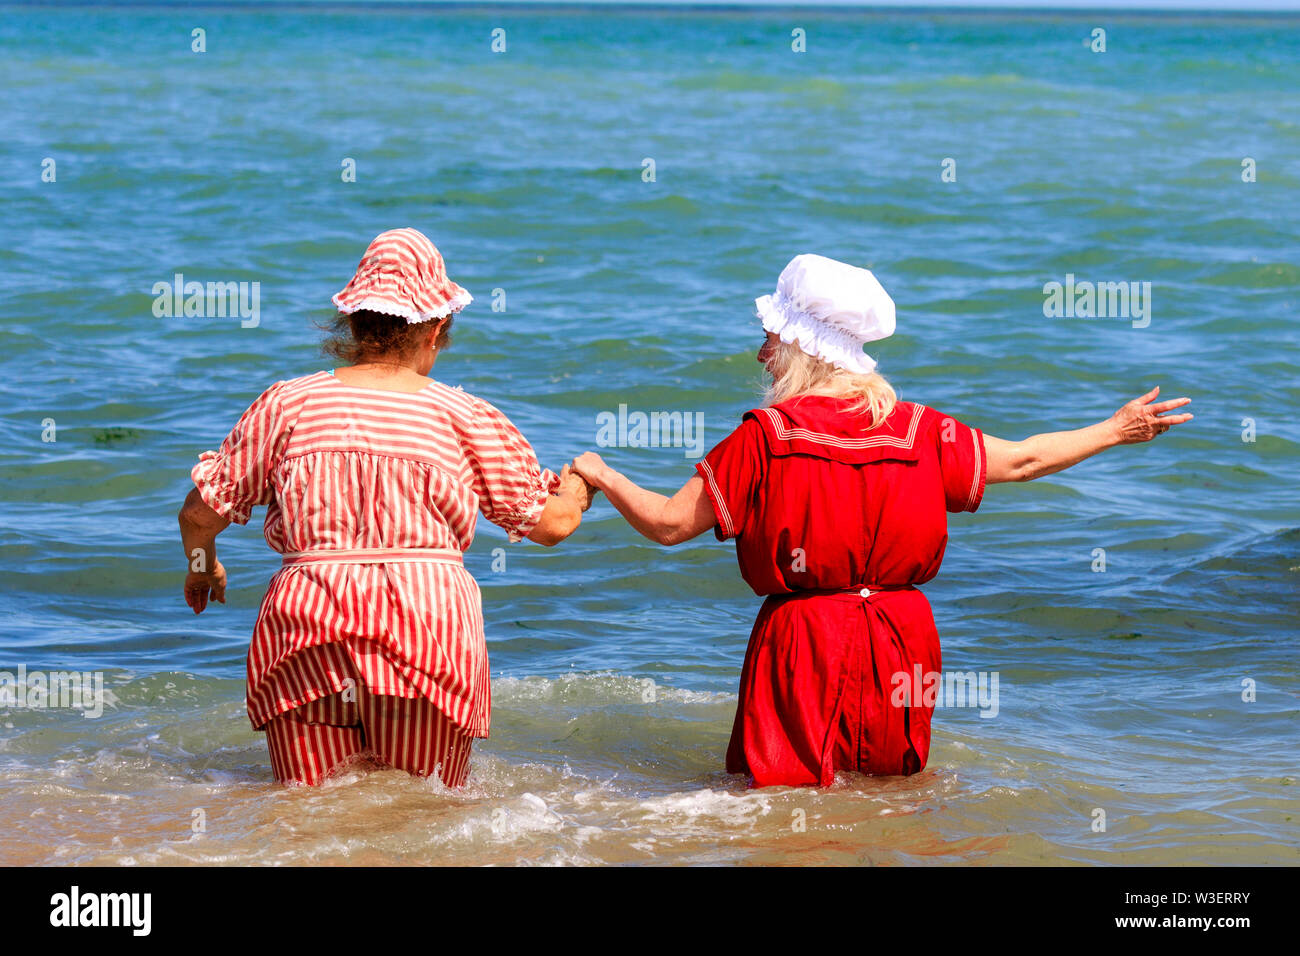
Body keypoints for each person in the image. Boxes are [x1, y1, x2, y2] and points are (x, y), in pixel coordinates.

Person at [571, 253, 1192, 788]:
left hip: (804, 638)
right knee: (888, 795)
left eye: (771, 338)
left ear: (801, 349)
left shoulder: (766, 435)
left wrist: (601, 473)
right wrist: (1115, 430)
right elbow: (1026, 460)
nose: (760, 353)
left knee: (781, 799)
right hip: (901, 635)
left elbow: (669, 525)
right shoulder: (923, 430)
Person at [177, 227, 594, 787]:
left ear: (352, 323)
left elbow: (199, 517)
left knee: (309, 817)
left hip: (307, 630)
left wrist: (203, 566)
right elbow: (553, 524)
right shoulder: (464, 416)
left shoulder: (288, 404)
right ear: (439, 327)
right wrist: (579, 486)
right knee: (425, 819)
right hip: (426, 633)